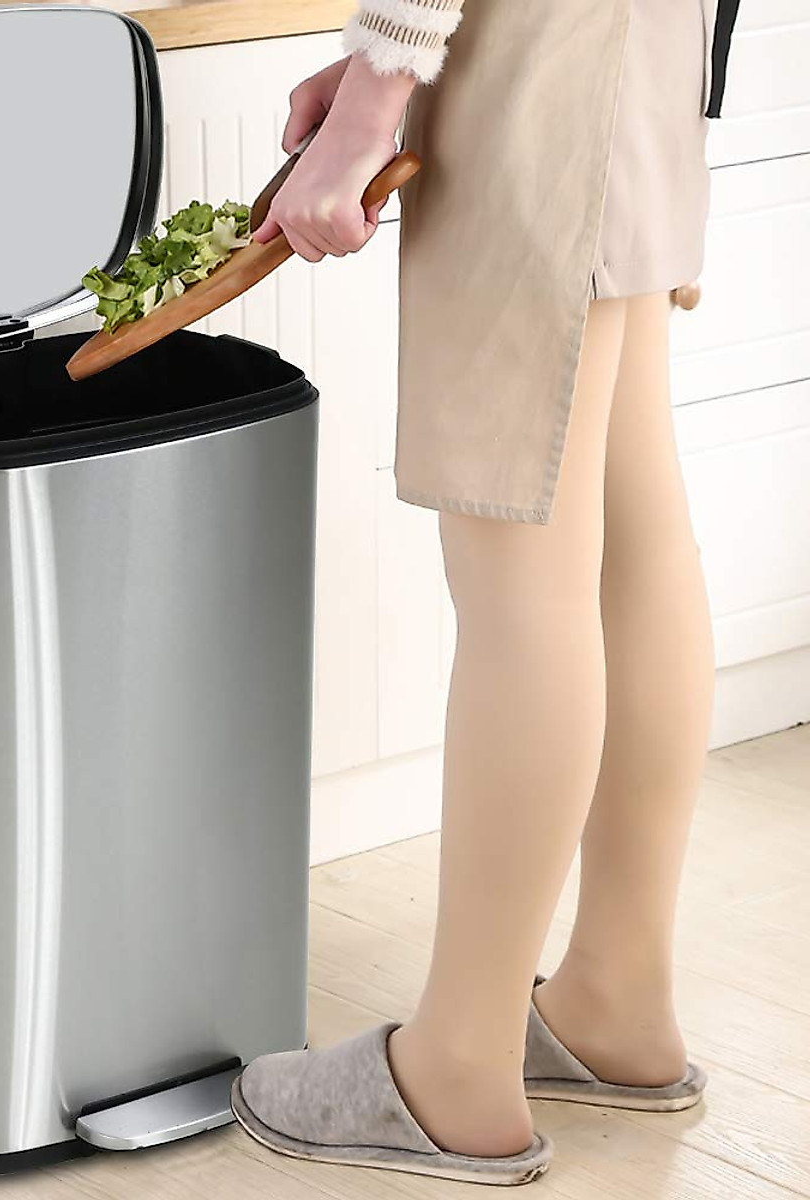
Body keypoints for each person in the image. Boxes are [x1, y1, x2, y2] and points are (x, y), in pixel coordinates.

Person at [230, 0, 740, 1185]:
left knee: (522, 561)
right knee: (629, 522)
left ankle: (455, 1068)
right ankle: (616, 997)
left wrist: (378, 87)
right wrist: (384, 63)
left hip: (540, 56)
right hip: (647, 44)